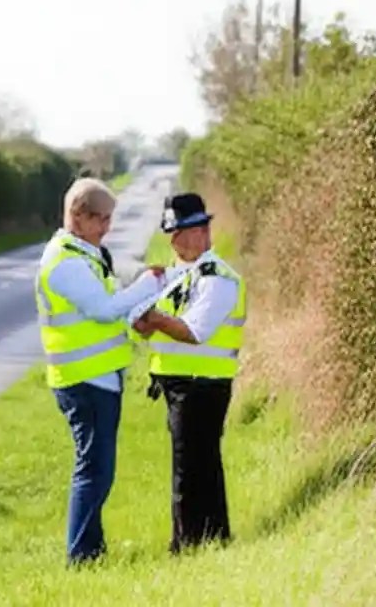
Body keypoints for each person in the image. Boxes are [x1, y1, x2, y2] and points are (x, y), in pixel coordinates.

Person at [35, 177, 166, 566]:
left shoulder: (85, 254)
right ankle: (82, 556)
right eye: (101, 220)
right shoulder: (65, 262)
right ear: (77, 215)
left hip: (99, 377)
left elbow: (109, 317)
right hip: (84, 381)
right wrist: (147, 284)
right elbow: (104, 309)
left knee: (98, 472)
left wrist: (134, 323)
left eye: (110, 219)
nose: (107, 227)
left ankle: (91, 551)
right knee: (94, 472)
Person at [133, 192, 247, 555]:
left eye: (180, 233)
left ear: (200, 231)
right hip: (182, 384)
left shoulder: (218, 280)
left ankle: (187, 544)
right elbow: (151, 325)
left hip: (202, 385)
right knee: (201, 465)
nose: (174, 241)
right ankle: (213, 536)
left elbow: (193, 331)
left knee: (190, 469)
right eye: (171, 234)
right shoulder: (184, 276)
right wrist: (145, 317)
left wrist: (155, 318)